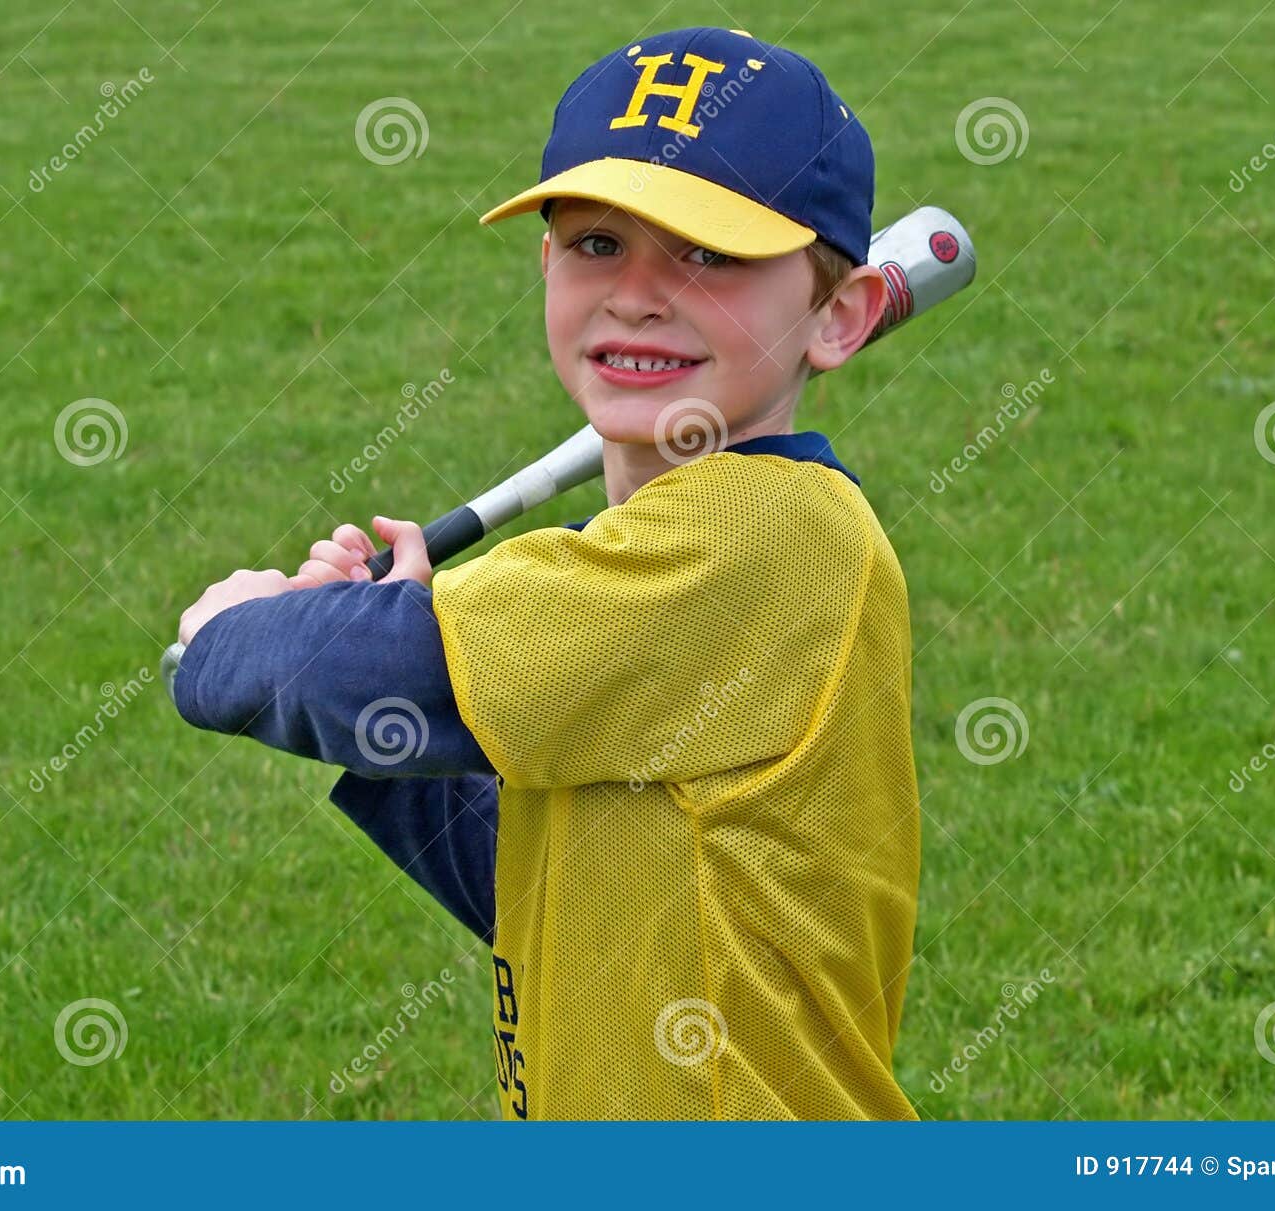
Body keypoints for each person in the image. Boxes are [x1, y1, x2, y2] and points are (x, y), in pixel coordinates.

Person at [172, 26, 919, 1120]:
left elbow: (313, 674)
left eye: (708, 254)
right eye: (597, 243)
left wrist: (238, 631)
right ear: (545, 265)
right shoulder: (663, 563)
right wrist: (385, 677)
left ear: (838, 314)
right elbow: (553, 896)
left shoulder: (755, 534)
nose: (638, 294)